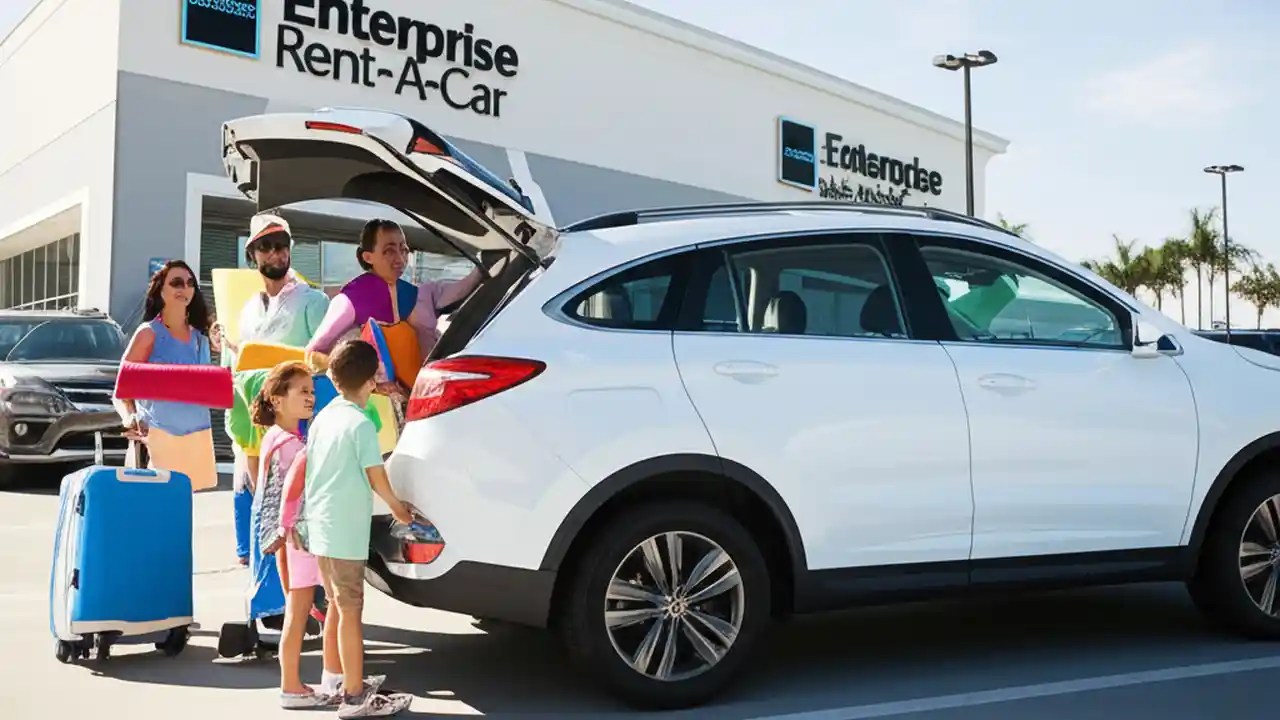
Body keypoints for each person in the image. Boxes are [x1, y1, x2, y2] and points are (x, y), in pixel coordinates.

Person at [300, 339, 414, 717]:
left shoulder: (324, 418)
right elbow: (376, 477)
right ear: (371, 379)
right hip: (345, 529)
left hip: (321, 526)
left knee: (335, 603)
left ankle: (334, 679)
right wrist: (401, 510)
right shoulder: (360, 424)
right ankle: (354, 696)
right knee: (351, 609)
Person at [214, 211, 329, 568]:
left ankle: (301, 609)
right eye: (266, 246)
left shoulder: (313, 300)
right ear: (253, 255)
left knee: (292, 522)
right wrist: (226, 350)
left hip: (294, 435)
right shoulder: (247, 310)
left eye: (281, 245)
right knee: (259, 520)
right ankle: (270, 606)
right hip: (252, 434)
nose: (275, 253)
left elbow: (324, 363)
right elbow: (238, 370)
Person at [305, 219, 482, 391]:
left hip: (428, 393)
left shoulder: (420, 294)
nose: (400, 259)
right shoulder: (350, 299)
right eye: (389, 251)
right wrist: (370, 383)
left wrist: (484, 265)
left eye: (404, 250)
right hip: (376, 404)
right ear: (368, 256)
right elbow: (314, 354)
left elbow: (464, 288)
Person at [243, 362, 328, 708]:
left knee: (299, 608)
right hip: (298, 538)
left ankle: (294, 683)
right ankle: (291, 685)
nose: (310, 397)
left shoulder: (277, 439)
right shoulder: (289, 444)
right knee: (298, 610)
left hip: (290, 538)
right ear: (277, 401)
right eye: (302, 391)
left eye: (312, 390)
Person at [113, 260, 218, 467]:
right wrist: (130, 418)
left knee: (183, 499)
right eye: (177, 283)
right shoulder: (148, 333)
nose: (185, 288)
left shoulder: (202, 338)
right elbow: (121, 392)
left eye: (190, 284)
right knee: (152, 498)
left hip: (196, 440)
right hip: (156, 441)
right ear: (160, 291)